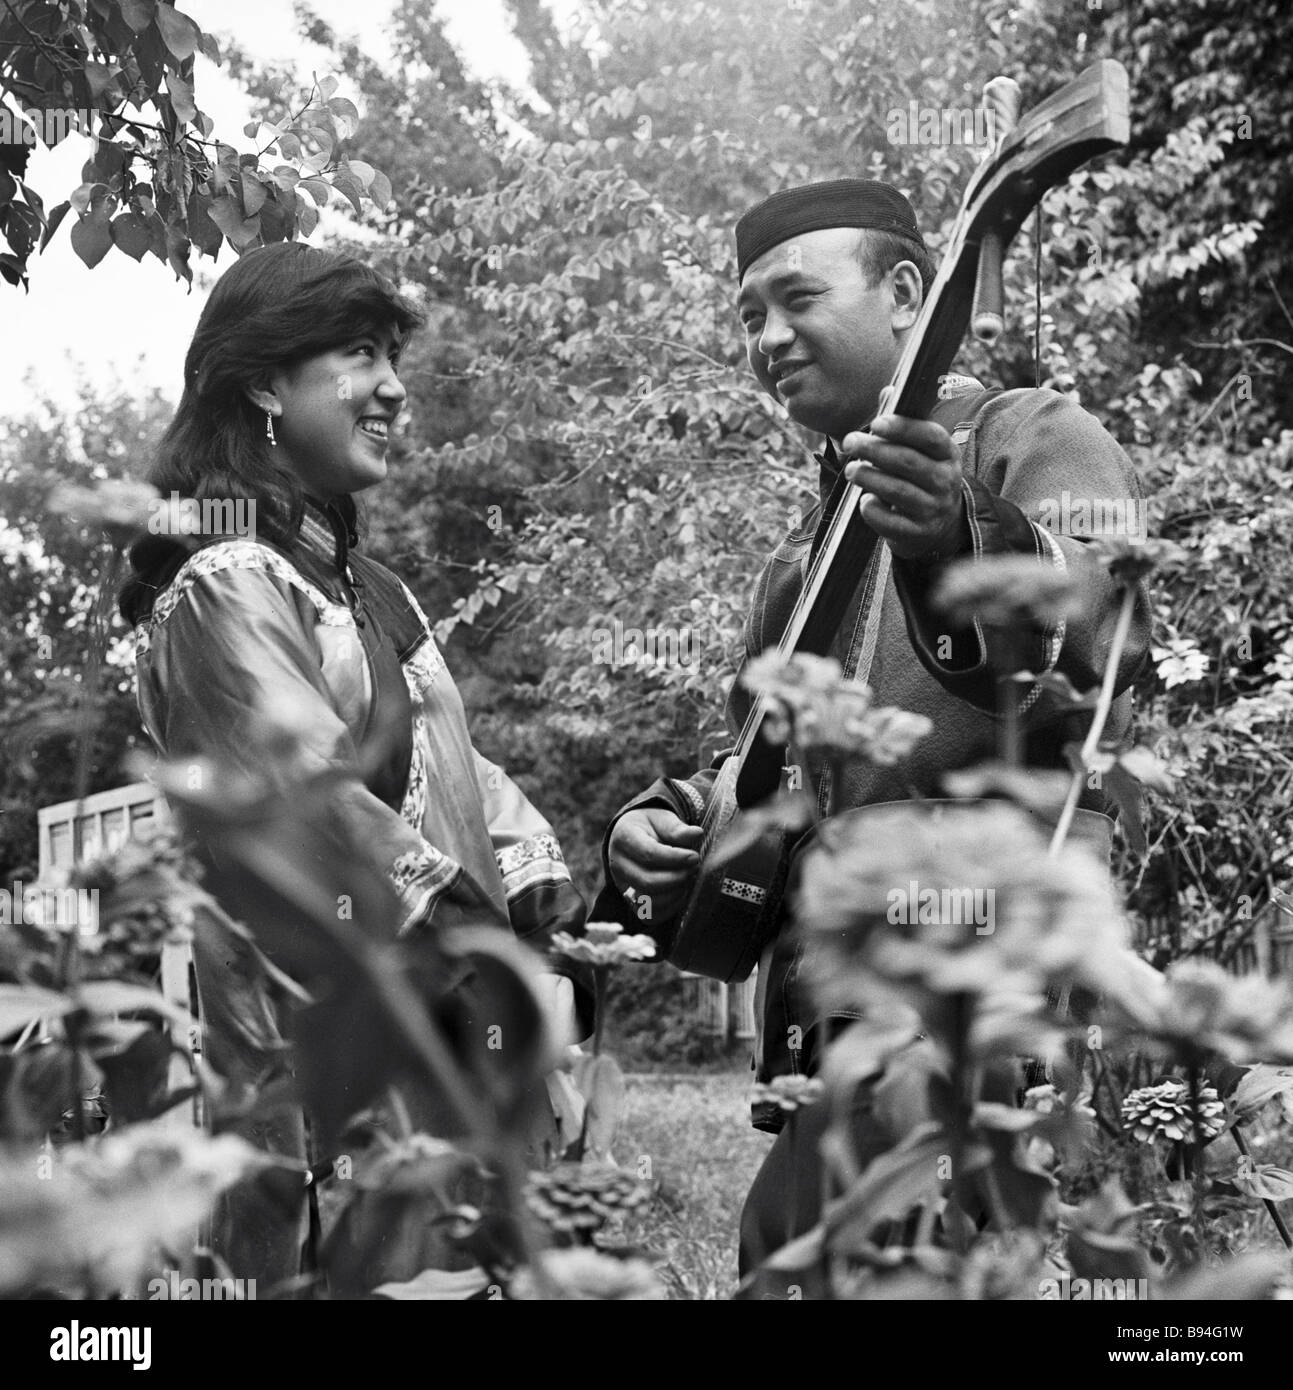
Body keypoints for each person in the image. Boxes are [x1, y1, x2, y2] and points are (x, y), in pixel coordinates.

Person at [594, 179, 1151, 1280]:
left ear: (908, 292)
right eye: (747, 316)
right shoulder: (798, 567)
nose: (766, 338)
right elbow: (765, 773)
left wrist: (956, 536)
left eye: (795, 298)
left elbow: (1110, 623)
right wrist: (663, 830)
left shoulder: (1035, 434)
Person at [118, 241, 592, 1289]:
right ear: (261, 382)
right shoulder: (221, 583)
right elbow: (309, 802)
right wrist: (465, 930)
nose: (394, 387)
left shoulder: (371, 587)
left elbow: (442, 759)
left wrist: (535, 894)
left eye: (393, 354)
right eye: (359, 353)